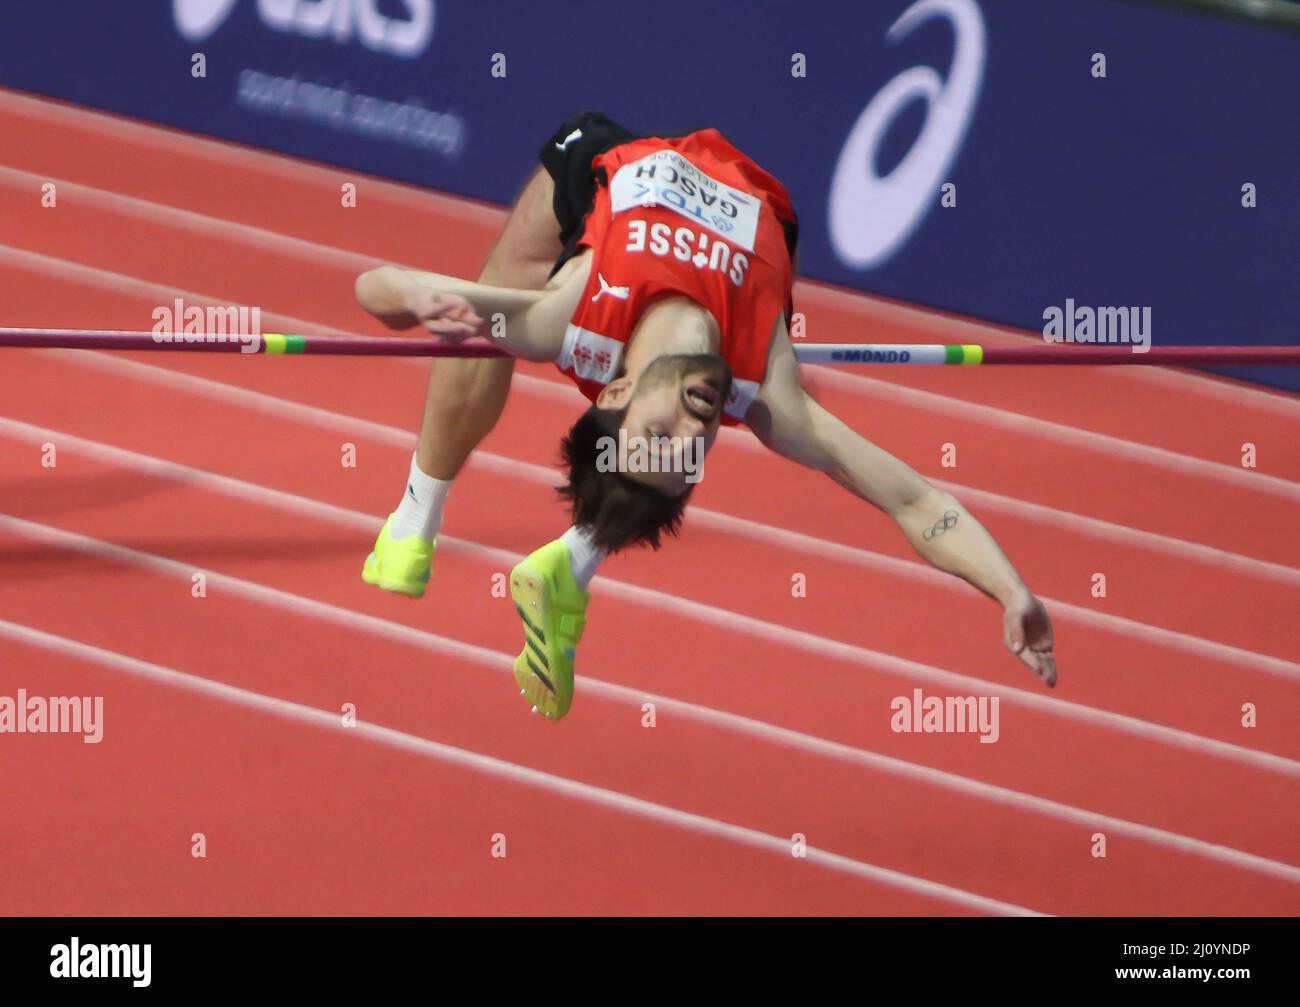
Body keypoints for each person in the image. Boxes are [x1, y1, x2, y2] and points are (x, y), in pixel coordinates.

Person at [355, 111, 1057, 719]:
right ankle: (566, 562)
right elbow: (915, 500)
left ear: (616, 392)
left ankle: (415, 522)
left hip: (608, 162)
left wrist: (418, 299)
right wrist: (1009, 589)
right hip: (755, 200)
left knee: (501, 280)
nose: (695, 430)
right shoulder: (771, 394)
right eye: (691, 456)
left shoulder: (568, 316)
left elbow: (374, 287)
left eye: (661, 435)